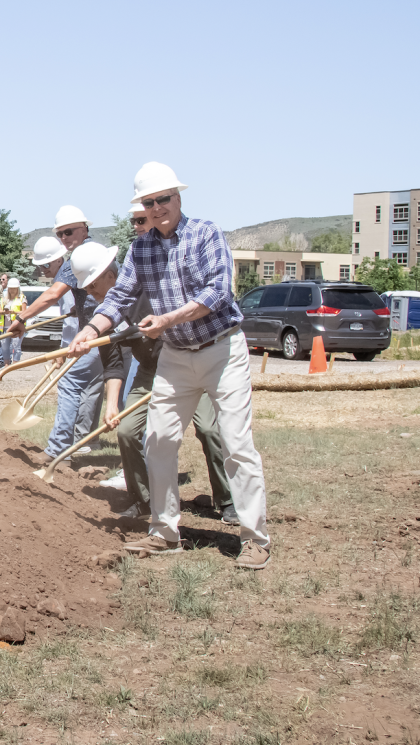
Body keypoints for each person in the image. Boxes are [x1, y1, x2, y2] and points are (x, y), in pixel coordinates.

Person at [73, 162, 271, 570]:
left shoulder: (206, 234)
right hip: (176, 356)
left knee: (235, 443)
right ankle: (165, 533)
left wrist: (167, 321)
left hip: (221, 349)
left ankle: (255, 539)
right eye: (150, 202)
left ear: (178, 198)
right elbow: (120, 296)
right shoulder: (142, 248)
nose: (158, 207)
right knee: (158, 441)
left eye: (164, 198)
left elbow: (218, 291)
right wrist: (91, 329)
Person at [74, 236, 236, 524]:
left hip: (184, 361)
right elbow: (112, 364)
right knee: (126, 431)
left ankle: (227, 501)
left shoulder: (150, 293)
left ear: (111, 276)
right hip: (150, 371)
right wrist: (112, 406)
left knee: (208, 429)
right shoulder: (105, 314)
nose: (91, 293)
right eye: (86, 288)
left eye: (93, 286)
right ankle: (144, 500)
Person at [5, 209, 108, 461]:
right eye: (60, 233)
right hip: (105, 327)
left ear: (84, 228)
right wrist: (80, 307)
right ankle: (82, 443)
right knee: (91, 387)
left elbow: (52, 294)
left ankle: (59, 449)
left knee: (70, 382)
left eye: (69, 231)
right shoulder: (93, 250)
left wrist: (21, 318)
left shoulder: (82, 255)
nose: (64, 237)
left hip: (101, 329)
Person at [0, 278, 25, 367]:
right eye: (11, 288)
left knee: (16, 346)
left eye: (14, 288)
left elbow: (24, 312)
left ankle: (15, 364)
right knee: (5, 346)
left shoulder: (22, 298)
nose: (12, 290)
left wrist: (13, 312)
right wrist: (4, 312)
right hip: (5, 326)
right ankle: (6, 364)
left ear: (18, 288)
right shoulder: (4, 299)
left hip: (16, 326)